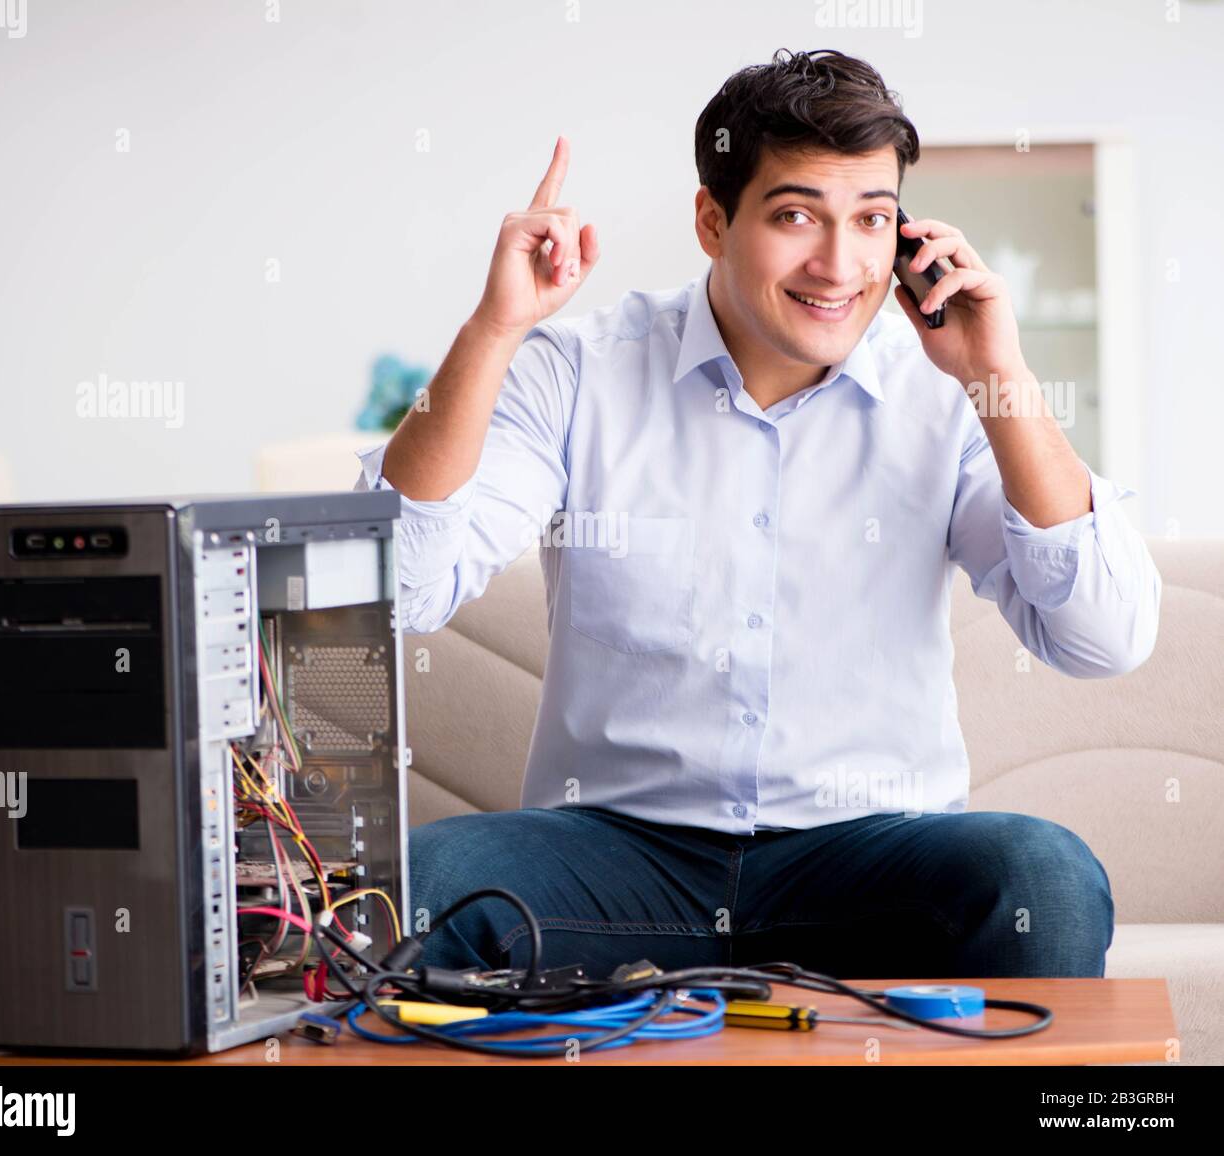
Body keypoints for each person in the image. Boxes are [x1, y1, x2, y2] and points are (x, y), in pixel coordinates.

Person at [355, 48, 1161, 980]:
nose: (838, 263)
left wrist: (999, 379)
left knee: (1043, 881)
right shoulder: (581, 369)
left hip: (865, 858)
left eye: (871, 221)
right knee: (414, 886)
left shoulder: (947, 392)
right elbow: (397, 590)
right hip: (621, 858)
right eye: (794, 217)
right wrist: (492, 332)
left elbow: (1104, 639)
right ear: (712, 219)